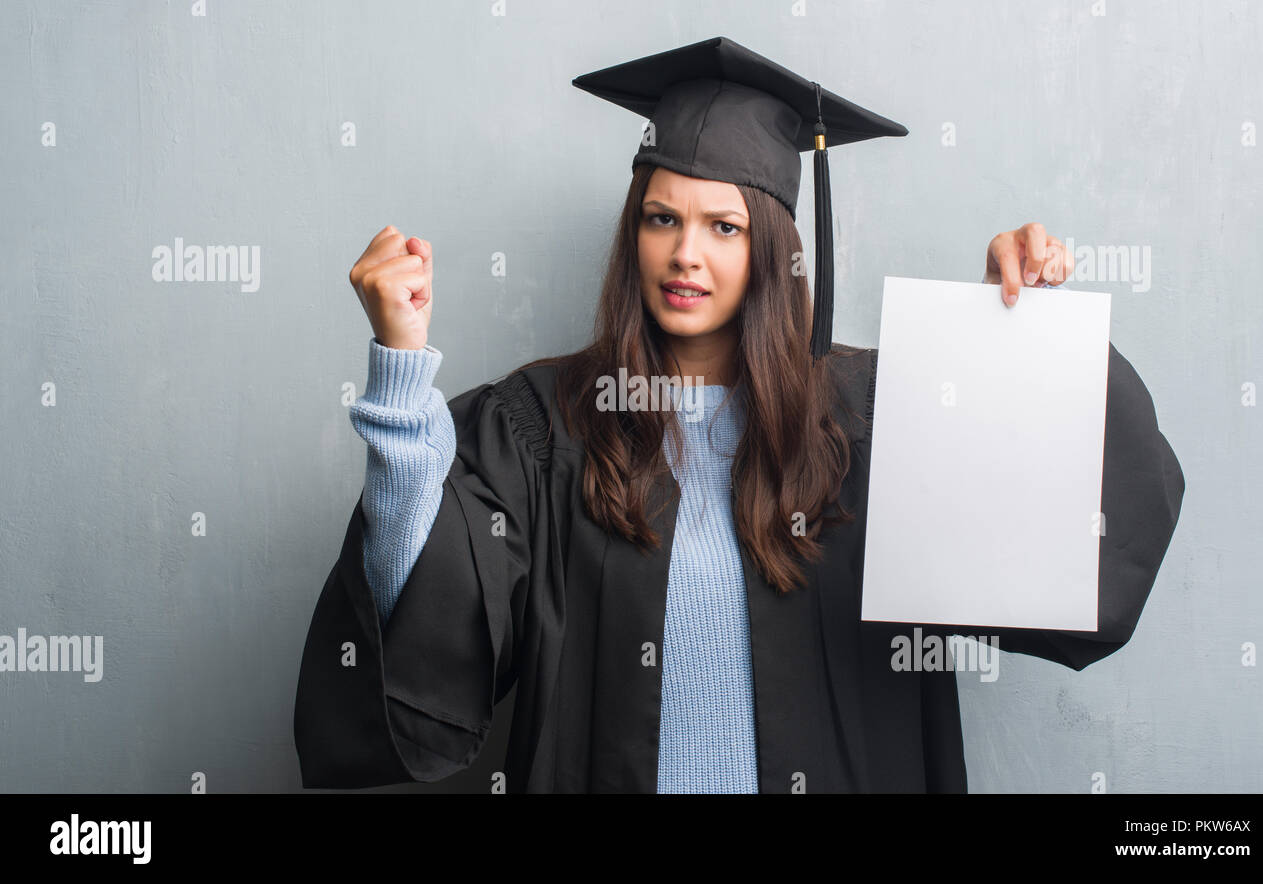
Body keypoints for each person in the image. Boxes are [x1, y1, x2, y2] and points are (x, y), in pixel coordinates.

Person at [293, 37, 1185, 793]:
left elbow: (1061, 544)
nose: (685, 254)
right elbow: (434, 622)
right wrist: (402, 370)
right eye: (659, 218)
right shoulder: (553, 424)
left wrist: (1020, 334)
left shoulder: (872, 420)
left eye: (724, 226)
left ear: (775, 245)